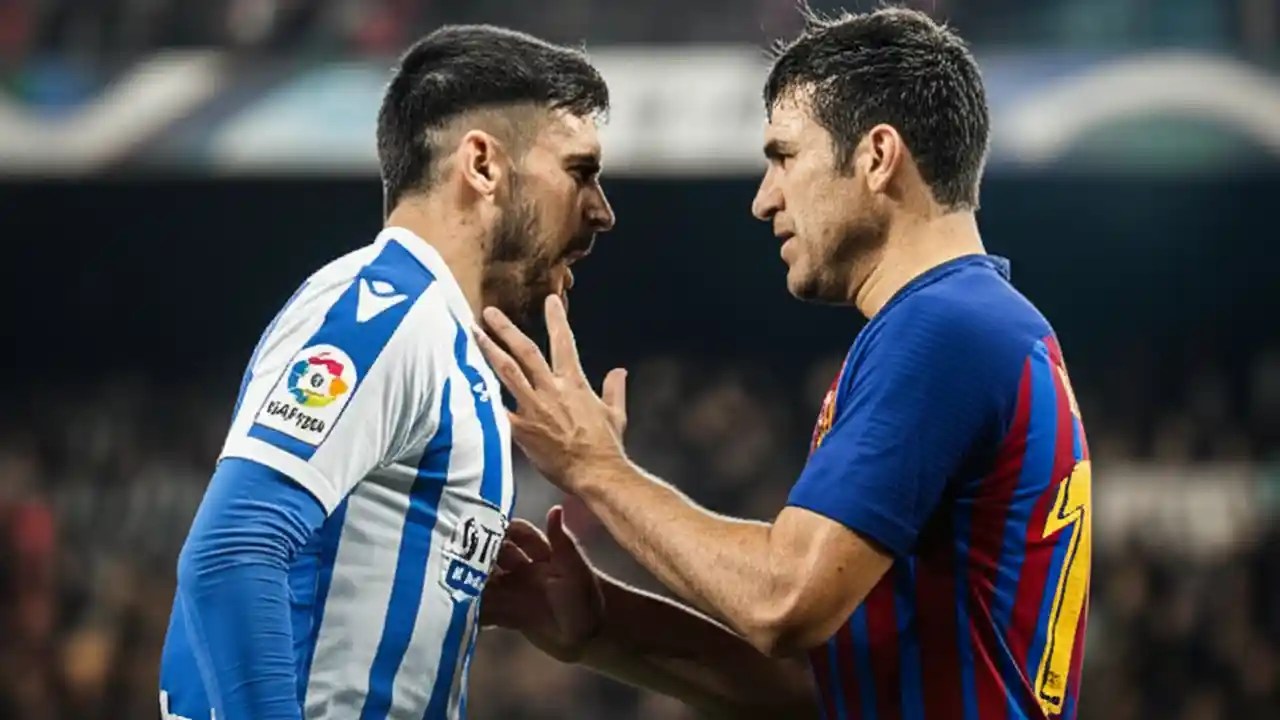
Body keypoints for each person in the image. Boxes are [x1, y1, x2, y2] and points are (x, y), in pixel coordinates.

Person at [477, 7, 1091, 720]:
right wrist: (602, 627)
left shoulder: (943, 327)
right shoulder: (980, 327)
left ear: (877, 155)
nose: (765, 198)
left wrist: (597, 470)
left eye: (783, 157)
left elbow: (782, 600)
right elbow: (812, 694)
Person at [157, 24, 616, 720]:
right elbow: (233, 551)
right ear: (483, 166)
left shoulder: (449, 347)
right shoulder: (384, 314)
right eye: (580, 172)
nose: (602, 210)